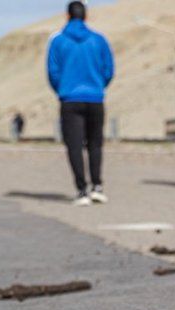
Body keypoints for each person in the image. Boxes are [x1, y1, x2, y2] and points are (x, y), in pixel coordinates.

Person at [47, 1, 114, 206]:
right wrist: (98, 86)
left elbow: (53, 72)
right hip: (95, 98)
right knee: (95, 144)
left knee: (74, 146)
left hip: (70, 99)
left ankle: (81, 190)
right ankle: (97, 186)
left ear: (67, 16)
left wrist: (64, 89)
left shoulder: (57, 41)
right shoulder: (99, 40)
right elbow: (108, 69)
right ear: (86, 16)